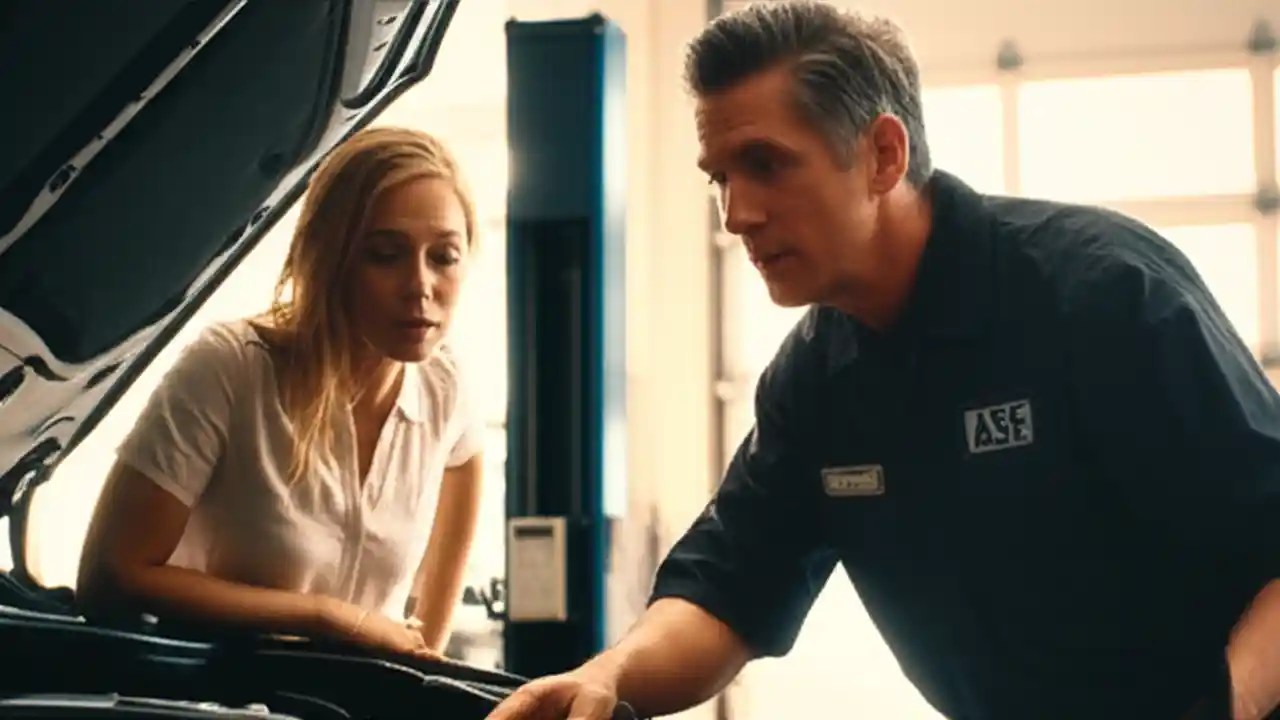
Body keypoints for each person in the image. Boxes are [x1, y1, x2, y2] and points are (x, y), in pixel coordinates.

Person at [487, 2, 1280, 719]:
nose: (736, 214)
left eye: (766, 164)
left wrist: (1229, 707)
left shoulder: (1103, 296)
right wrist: (608, 675)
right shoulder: (815, 382)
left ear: (883, 155)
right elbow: (726, 590)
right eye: (719, 178)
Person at [76, 126, 487, 660]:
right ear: (330, 258)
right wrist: (332, 618)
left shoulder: (446, 386)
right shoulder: (229, 367)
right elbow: (112, 574)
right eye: (385, 255)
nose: (420, 285)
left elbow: (425, 647)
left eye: (444, 257)